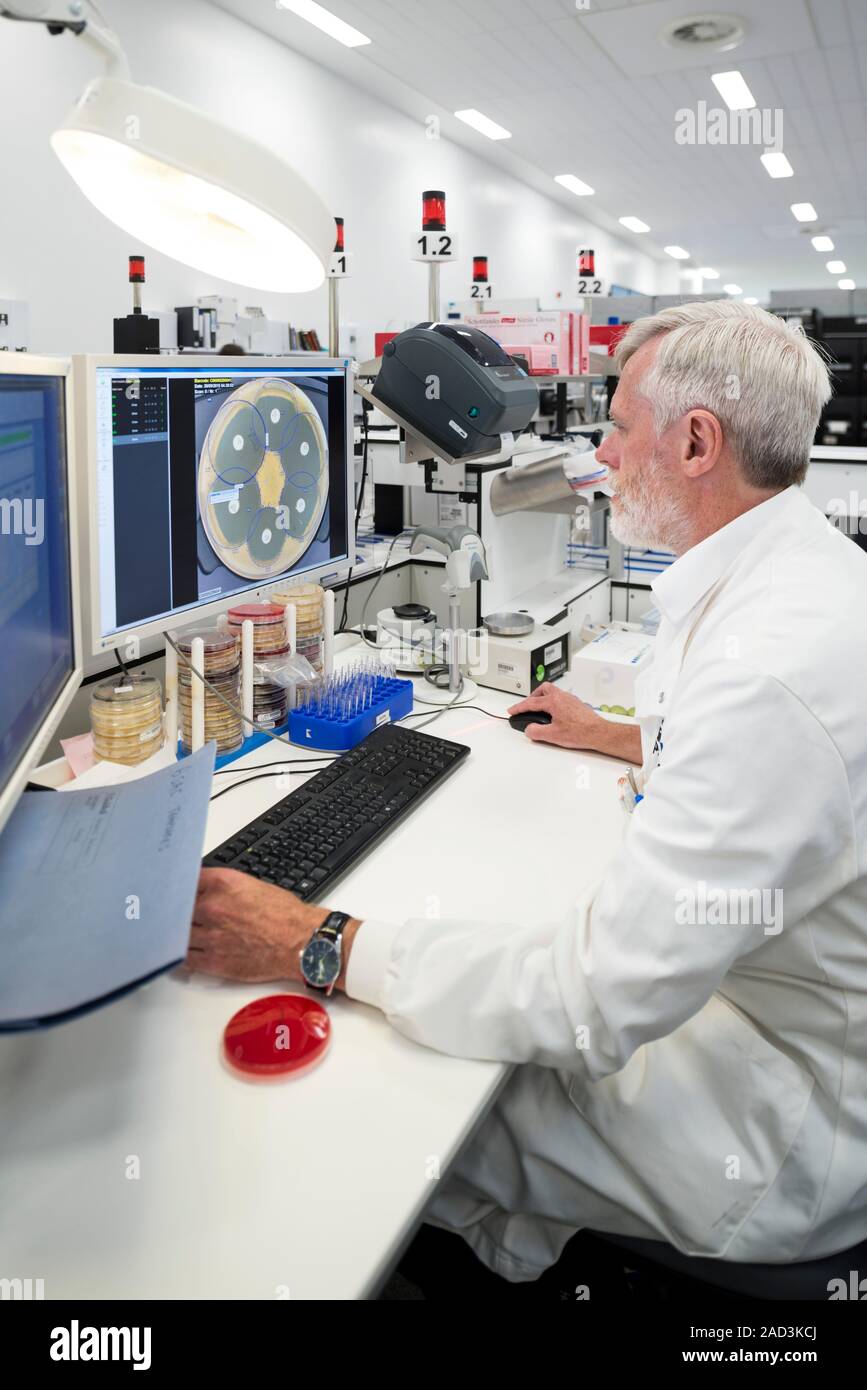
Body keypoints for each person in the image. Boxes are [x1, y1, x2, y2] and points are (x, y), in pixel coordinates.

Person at [188, 301, 867, 1279]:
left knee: (389, 1098)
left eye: (617, 425)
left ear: (694, 442)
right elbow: (754, 758)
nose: (599, 447)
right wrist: (623, 736)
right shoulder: (797, 576)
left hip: (767, 1121)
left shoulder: (769, 668)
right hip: (761, 1017)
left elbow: (590, 1001)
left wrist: (311, 941)